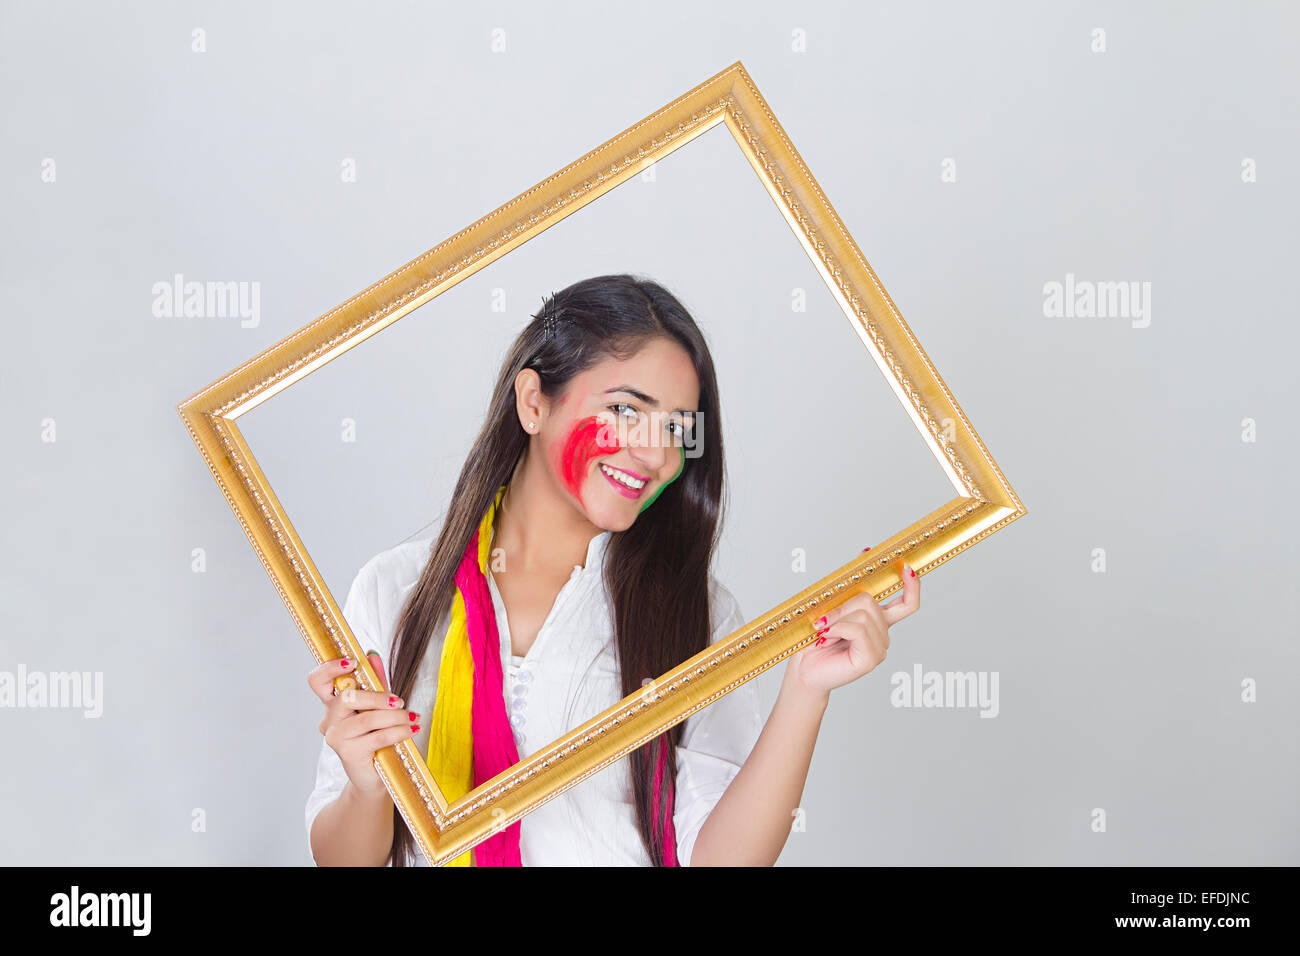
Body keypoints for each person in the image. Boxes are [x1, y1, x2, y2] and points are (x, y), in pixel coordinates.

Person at [304, 273, 921, 866]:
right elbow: (344, 860)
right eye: (627, 410)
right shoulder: (396, 591)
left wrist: (806, 688)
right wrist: (367, 785)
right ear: (533, 402)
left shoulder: (694, 612)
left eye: (678, 428)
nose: (656, 452)